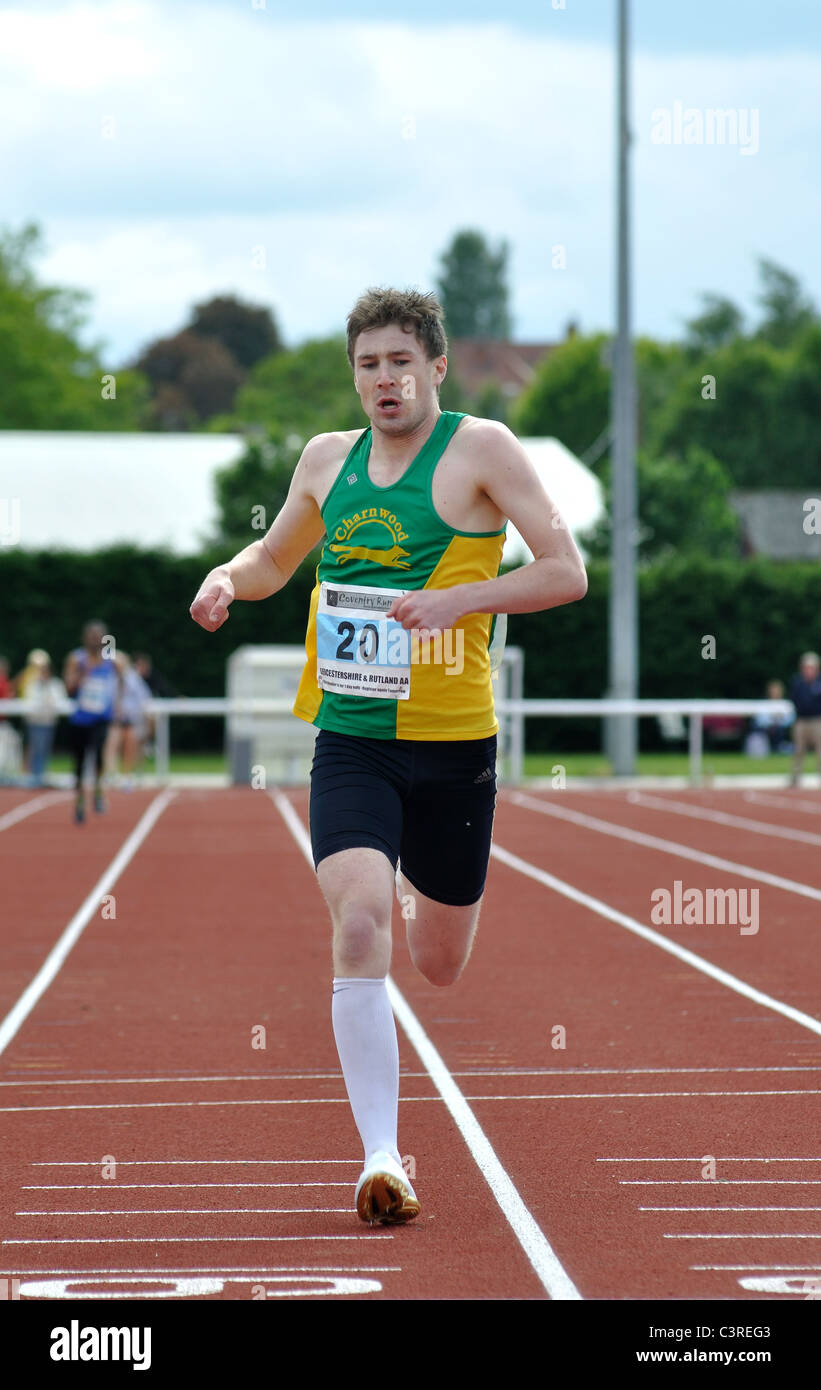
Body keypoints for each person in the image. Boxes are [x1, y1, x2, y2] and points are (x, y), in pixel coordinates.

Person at [190, 287, 587, 1224]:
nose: (384, 380)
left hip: (455, 750)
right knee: (359, 927)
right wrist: (224, 579)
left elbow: (564, 571)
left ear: (436, 367)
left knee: (439, 963)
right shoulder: (330, 461)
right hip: (353, 741)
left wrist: (464, 600)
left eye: (400, 362)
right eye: (367, 364)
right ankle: (382, 1157)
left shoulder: (482, 449)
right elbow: (274, 560)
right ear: (353, 376)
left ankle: (415, 890)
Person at [63, 621, 123, 822]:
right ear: (84, 638)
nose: (95, 640)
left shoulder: (112, 660)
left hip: (101, 718)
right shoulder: (76, 659)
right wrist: (82, 674)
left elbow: (122, 680)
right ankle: (79, 800)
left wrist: (117, 705)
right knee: (79, 763)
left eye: (99, 636)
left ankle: (98, 790)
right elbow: (68, 688)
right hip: (80, 719)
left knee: (98, 756)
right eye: (92, 636)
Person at [105, 653, 153, 788]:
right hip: (114, 720)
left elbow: (144, 698)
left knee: (130, 746)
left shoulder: (134, 679)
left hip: (132, 719)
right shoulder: (109, 678)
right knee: (111, 744)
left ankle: (128, 776)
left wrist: (144, 718)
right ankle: (111, 774)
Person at [19, 650, 66, 785]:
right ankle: (35, 775)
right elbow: (29, 700)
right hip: (35, 721)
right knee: (35, 748)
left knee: (45, 748)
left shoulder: (55, 684)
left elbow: (59, 701)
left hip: (49, 722)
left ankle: (41, 774)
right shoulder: (32, 683)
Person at [788, 651, 821, 786]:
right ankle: (795, 778)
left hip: (817, 721)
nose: (809, 670)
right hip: (801, 721)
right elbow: (793, 700)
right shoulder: (797, 683)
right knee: (798, 751)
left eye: (811, 667)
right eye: (806, 667)